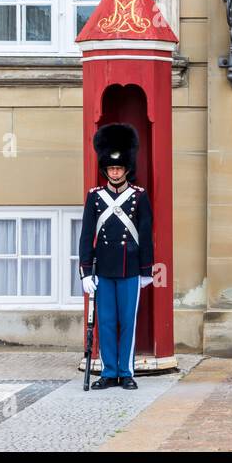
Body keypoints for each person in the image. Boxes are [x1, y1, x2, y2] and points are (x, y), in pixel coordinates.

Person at [78, 123, 153, 390]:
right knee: (106, 322)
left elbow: (145, 234)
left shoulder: (139, 197)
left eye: (119, 168)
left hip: (130, 270)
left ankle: (126, 371)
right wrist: (86, 272)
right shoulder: (95, 198)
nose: (115, 172)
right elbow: (87, 236)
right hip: (104, 271)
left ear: (127, 169)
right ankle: (109, 372)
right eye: (111, 168)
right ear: (105, 170)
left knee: (127, 323)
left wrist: (146, 271)